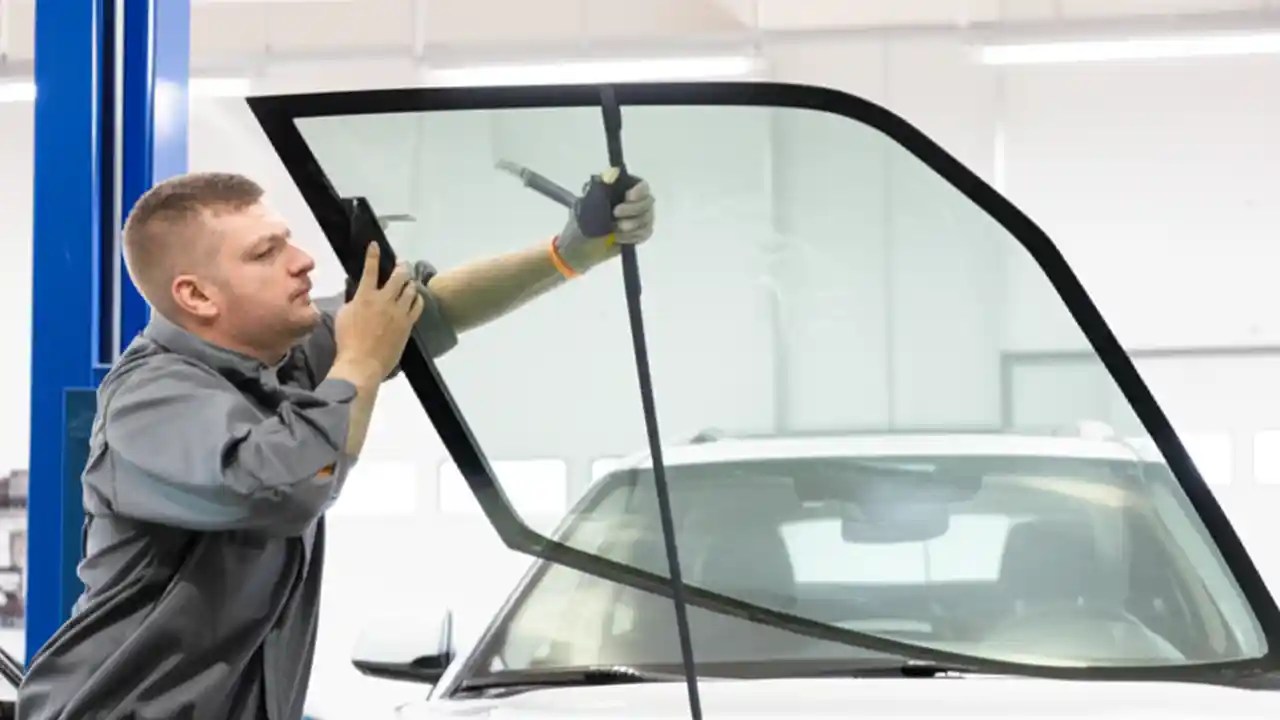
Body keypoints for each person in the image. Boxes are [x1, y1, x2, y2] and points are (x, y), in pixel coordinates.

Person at [16, 169, 656, 719]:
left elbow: (416, 312)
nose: (302, 261)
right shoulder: (151, 400)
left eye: (288, 240)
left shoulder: (278, 357)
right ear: (197, 295)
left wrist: (569, 253)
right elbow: (286, 485)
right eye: (266, 253)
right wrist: (359, 362)